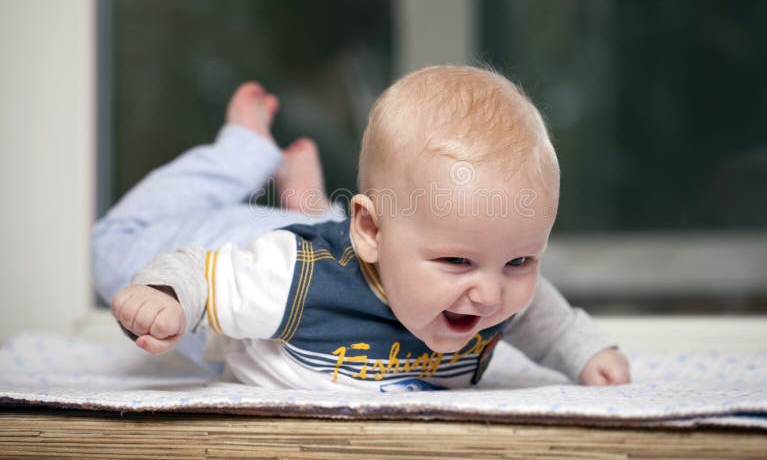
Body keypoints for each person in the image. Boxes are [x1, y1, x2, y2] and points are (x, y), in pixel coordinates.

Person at [101, 65, 630, 392]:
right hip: (236, 245)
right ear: (370, 230)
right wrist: (168, 295)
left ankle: (309, 207)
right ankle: (243, 149)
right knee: (111, 244)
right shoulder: (290, 281)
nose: (491, 293)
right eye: (457, 262)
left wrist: (587, 352)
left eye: (520, 261)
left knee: (328, 227)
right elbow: (201, 272)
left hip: (341, 233)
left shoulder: (492, 288)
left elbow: (546, 320)